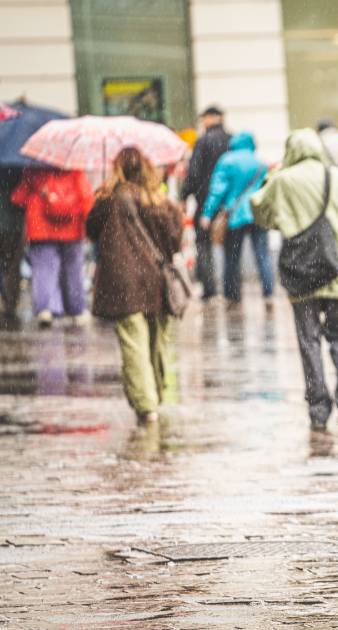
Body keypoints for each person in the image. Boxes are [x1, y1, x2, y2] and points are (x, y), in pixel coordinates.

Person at [251, 129, 338, 431]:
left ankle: (318, 408)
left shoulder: (283, 180)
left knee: (308, 341)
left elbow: (261, 214)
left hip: (301, 271)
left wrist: (271, 180)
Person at [86, 147, 184, 424]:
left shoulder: (109, 201)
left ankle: (146, 405)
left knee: (134, 344)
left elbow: (90, 231)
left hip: (123, 283)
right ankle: (156, 396)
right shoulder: (160, 201)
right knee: (157, 344)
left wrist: (104, 193)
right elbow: (174, 241)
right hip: (155, 281)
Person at [11, 168, 94, 327]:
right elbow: (86, 199)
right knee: (73, 271)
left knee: (43, 270)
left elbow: (18, 198)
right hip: (72, 228)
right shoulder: (76, 172)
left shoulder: (33, 171)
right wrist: (89, 226)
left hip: (40, 229)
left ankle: (45, 309)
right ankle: (76, 309)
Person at [199, 131, 274, 304]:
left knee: (232, 256)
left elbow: (217, 190)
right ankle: (268, 291)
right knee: (262, 254)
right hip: (257, 214)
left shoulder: (227, 160)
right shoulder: (259, 162)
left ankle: (232, 294)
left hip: (235, 215)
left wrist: (207, 213)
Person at [180, 105, 231, 300]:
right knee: (229, 244)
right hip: (228, 202)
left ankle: (209, 287)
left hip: (205, 200)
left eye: (204, 118)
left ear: (210, 119)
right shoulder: (231, 140)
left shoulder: (203, 142)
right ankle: (230, 287)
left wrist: (185, 194)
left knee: (204, 243)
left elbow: (193, 173)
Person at [0, 168, 26, 319]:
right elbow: (21, 197)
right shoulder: (20, 167)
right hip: (13, 224)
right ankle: (10, 303)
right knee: (12, 264)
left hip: (10, 222)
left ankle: (8, 300)